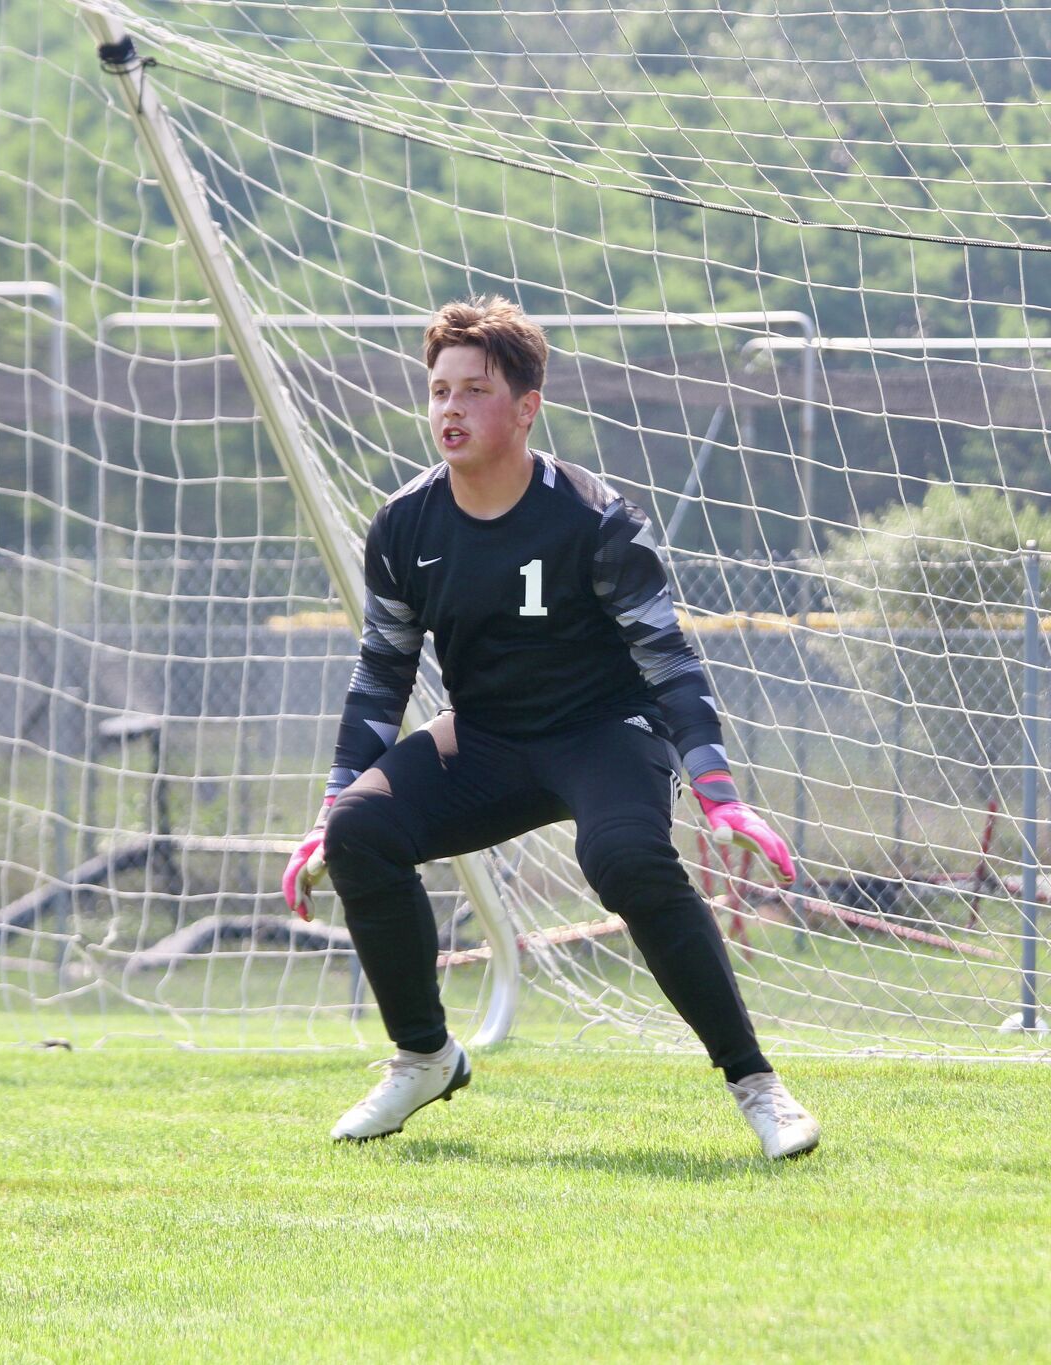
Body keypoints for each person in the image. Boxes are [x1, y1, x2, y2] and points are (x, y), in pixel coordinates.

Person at [281, 295, 820, 1159]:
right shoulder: (404, 524)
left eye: (474, 390)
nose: (449, 409)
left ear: (527, 406)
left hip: (604, 731)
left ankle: (758, 1084)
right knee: (358, 832)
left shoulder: (595, 518)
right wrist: (328, 807)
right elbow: (381, 674)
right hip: (486, 738)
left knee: (625, 858)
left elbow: (670, 660)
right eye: (439, 390)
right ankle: (424, 1054)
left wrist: (717, 793)